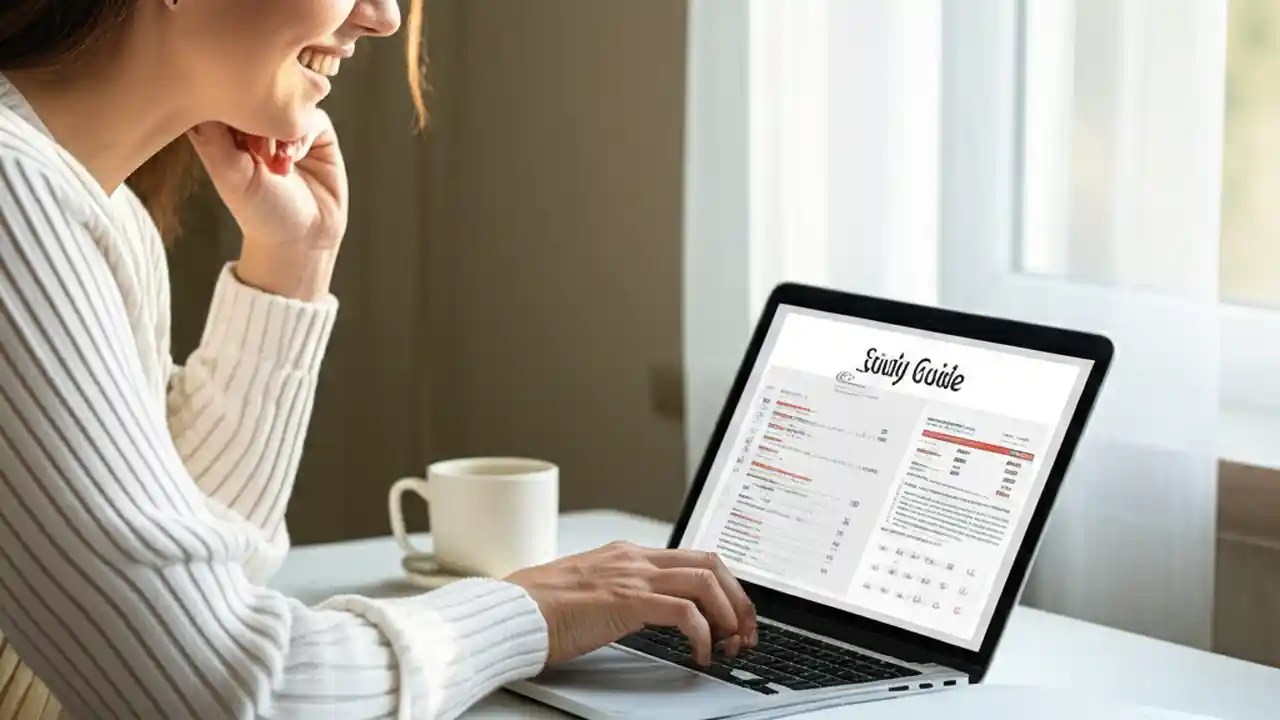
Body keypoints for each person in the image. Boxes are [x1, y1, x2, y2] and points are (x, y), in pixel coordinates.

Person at [0, 1, 758, 717]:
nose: (384, 17)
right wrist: (532, 612)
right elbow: (219, 693)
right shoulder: (14, 199)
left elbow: (200, 581)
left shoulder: (101, 216)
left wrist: (292, 263)